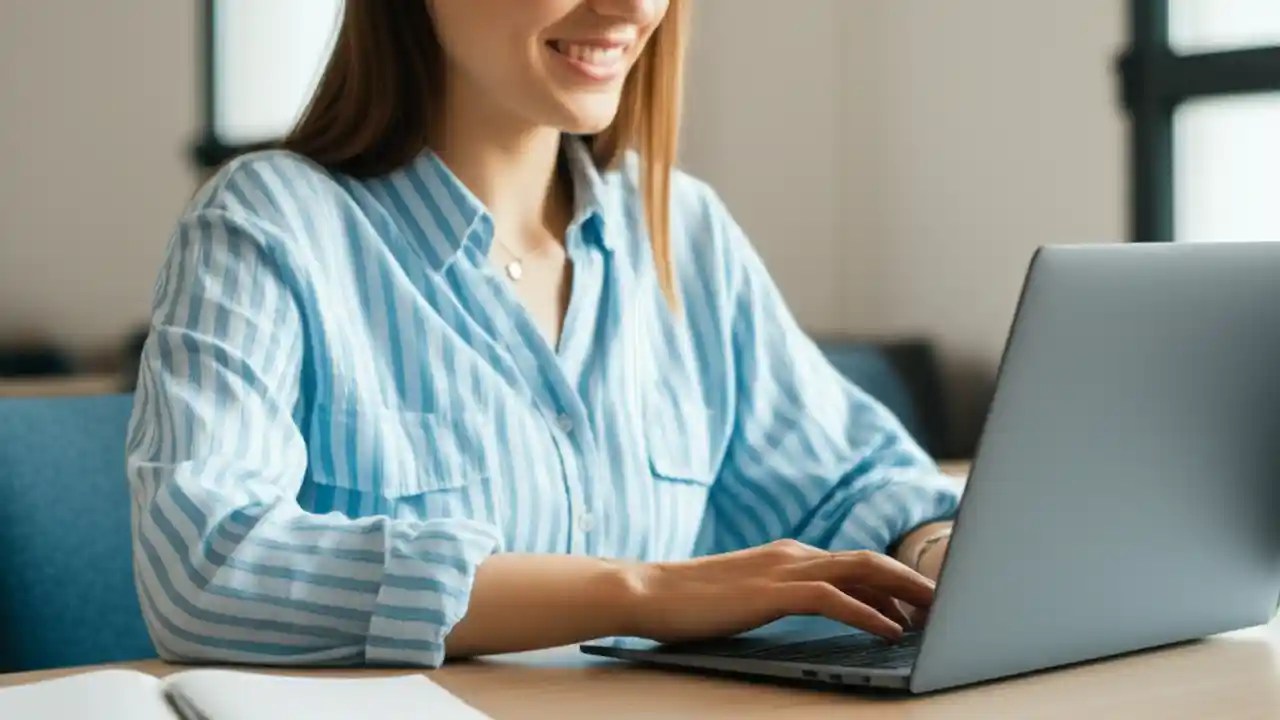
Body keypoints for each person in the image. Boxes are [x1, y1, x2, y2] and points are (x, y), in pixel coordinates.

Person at [126, 0, 960, 667]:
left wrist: (936, 555)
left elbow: (854, 482)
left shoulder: (681, 229)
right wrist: (640, 592)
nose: (633, 7)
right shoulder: (267, 225)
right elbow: (205, 569)